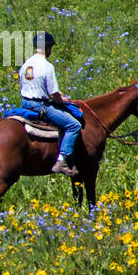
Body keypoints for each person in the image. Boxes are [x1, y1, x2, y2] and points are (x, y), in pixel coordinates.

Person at [18, 31, 81, 176]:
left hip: (25, 103)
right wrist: (62, 99)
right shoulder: (47, 66)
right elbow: (53, 95)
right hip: (41, 106)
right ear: (47, 48)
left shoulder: (26, 65)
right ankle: (62, 161)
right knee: (74, 125)